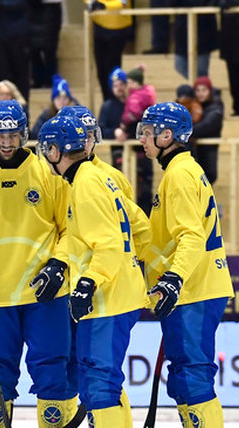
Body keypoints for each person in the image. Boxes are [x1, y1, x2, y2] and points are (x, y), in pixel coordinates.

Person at [0, 100, 79, 425]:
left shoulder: (49, 174)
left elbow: (72, 229)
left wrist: (59, 265)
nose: (6, 142)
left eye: (12, 135)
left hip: (45, 296)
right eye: (0, 136)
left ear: (23, 134)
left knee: (53, 371)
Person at [38, 114, 148, 428]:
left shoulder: (86, 184)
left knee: (99, 384)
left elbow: (109, 245)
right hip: (116, 295)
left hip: (107, 300)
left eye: (46, 149)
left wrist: (87, 284)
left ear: (56, 151)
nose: (45, 157)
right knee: (103, 381)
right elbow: (140, 226)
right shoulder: (99, 177)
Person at [137, 102, 233, 428]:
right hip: (193, 290)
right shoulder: (183, 170)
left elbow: (191, 236)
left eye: (147, 132)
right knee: (184, 374)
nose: (142, 139)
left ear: (167, 135)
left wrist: (173, 279)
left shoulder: (179, 175)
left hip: (194, 290)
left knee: (192, 374)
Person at [84, 0, 133, 102]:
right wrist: (92, 4)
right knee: (101, 69)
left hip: (118, 27)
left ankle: (116, 100)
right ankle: (107, 101)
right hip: (99, 26)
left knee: (113, 67)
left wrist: (103, 5)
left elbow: (122, 0)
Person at [166, 0, 218, 79]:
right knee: (179, 65)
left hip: (202, 31)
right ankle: (204, 89)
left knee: (201, 71)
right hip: (182, 31)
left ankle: (203, 89)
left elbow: (198, 1)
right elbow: (168, 1)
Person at [117, 66, 156, 215]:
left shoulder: (136, 96)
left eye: (129, 82)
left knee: (138, 186)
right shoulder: (147, 94)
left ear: (135, 83)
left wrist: (123, 125)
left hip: (136, 141)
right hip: (142, 145)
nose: (128, 86)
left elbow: (132, 113)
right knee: (145, 183)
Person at [191, 77, 224, 183]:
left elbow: (206, 126)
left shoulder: (216, 108)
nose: (200, 94)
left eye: (204, 90)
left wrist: (184, 132)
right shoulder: (195, 106)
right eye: (198, 90)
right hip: (196, 151)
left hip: (208, 152)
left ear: (209, 91)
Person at [99, 67, 130, 167]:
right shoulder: (107, 106)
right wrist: (114, 132)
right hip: (117, 153)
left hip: (139, 151)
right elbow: (100, 130)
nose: (119, 88)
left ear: (126, 85)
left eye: (121, 84)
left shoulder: (135, 103)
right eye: (115, 85)